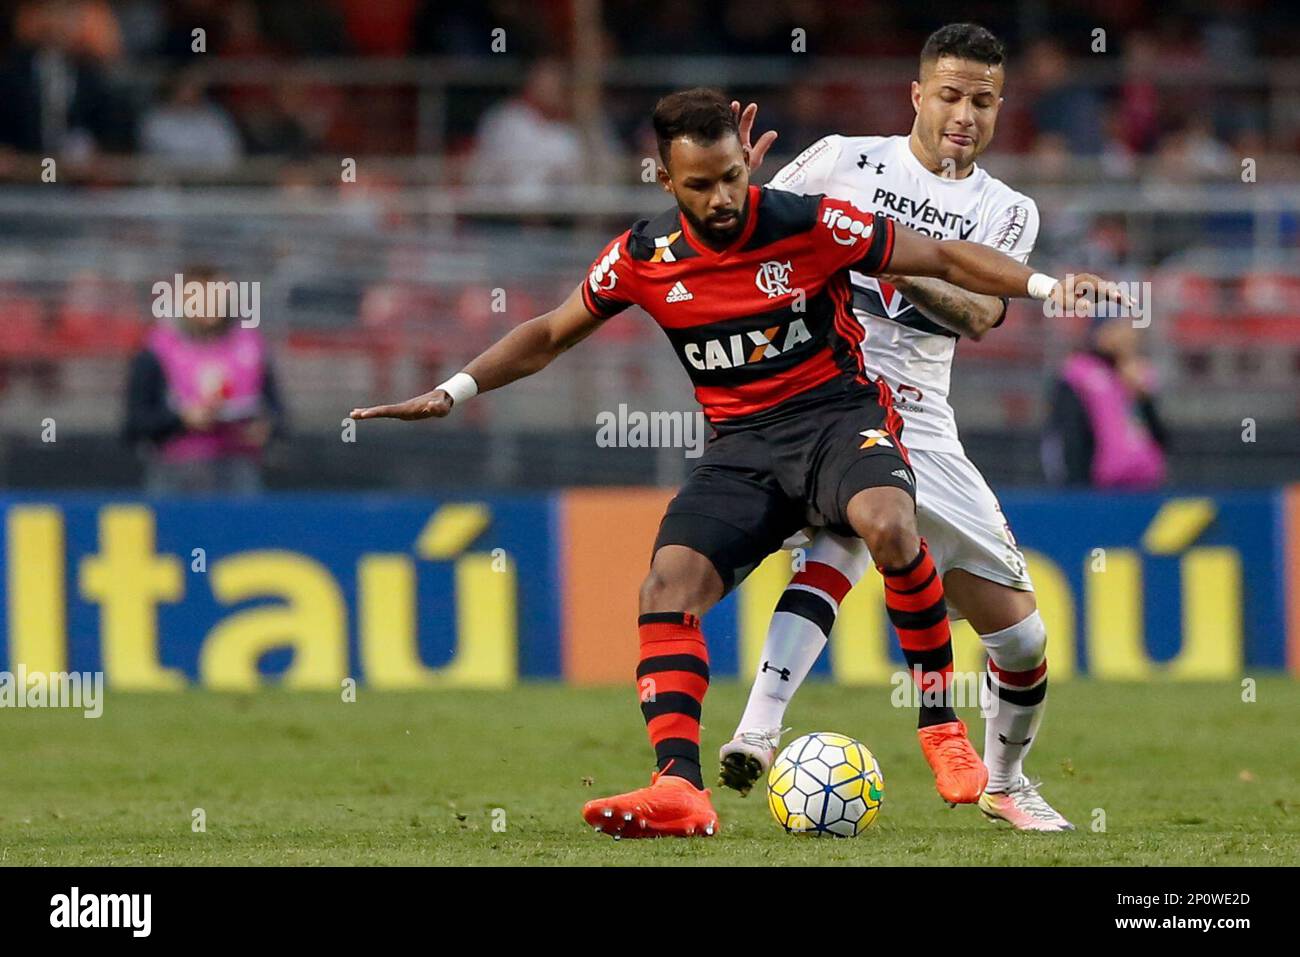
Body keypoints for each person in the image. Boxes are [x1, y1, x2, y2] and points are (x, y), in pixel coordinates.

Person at [350, 87, 1122, 839]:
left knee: (887, 524)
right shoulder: (642, 257)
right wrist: (453, 390)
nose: (721, 197)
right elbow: (552, 332)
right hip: (743, 448)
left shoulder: (808, 222)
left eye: (731, 177)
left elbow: (945, 257)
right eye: (700, 184)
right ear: (664, 179)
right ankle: (679, 785)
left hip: (838, 421)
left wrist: (1050, 285)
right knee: (668, 583)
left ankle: (938, 721)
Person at [717, 23, 1076, 831]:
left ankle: (1006, 780)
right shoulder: (843, 158)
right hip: (823, 395)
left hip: (921, 419)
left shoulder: (1005, 210)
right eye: (949, 95)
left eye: (982, 101)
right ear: (917, 94)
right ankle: (756, 729)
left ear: (999, 108)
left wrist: (886, 252)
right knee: (843, 535)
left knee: (1022, 638)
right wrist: (734, 192)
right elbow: (749, 237)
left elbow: (981, 312)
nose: (963, 115)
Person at [124, 266, 284, 495]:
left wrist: (265, 428)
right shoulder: (157, 349)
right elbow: (135, 423)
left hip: (239, 470)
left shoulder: (251, 345)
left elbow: (276, 410)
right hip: (175, 473)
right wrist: (182, 420)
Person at [1043, 312, 1168, 489]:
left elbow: (1159, 435)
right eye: (1117, 327)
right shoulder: (1078, 373)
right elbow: (1069, 433)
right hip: (1098, 485)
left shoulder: (1141, 375)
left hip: (1145, 482)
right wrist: (1077, 484)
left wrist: (1142, 398)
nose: (1126, 334)